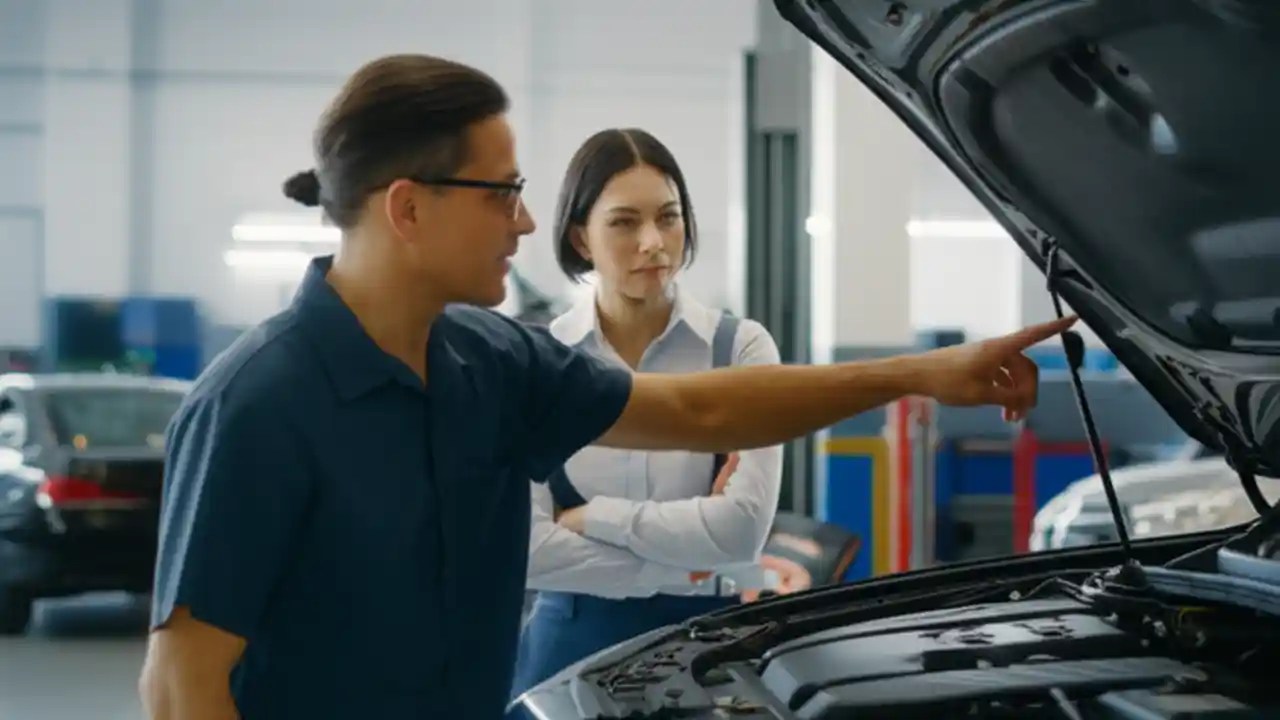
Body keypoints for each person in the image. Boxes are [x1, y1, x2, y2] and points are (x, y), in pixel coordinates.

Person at [137, 53, 1074, 720]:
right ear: (408, 208)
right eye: (501, 192)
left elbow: (702, 408)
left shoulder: (491, 362)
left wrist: (923, 373)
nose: (528, 218)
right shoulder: (257, 405)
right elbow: (181, 688)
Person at [508, 128, 787, 711]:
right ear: (581, 237)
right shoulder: (537, 360)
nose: (653, 242)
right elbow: (524, 547)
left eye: (668, 217)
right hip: (568, 645)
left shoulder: (738, 350)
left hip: (708, 647)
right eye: (624, 222)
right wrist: (681, 563)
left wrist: (590, 517)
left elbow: (741, 531)